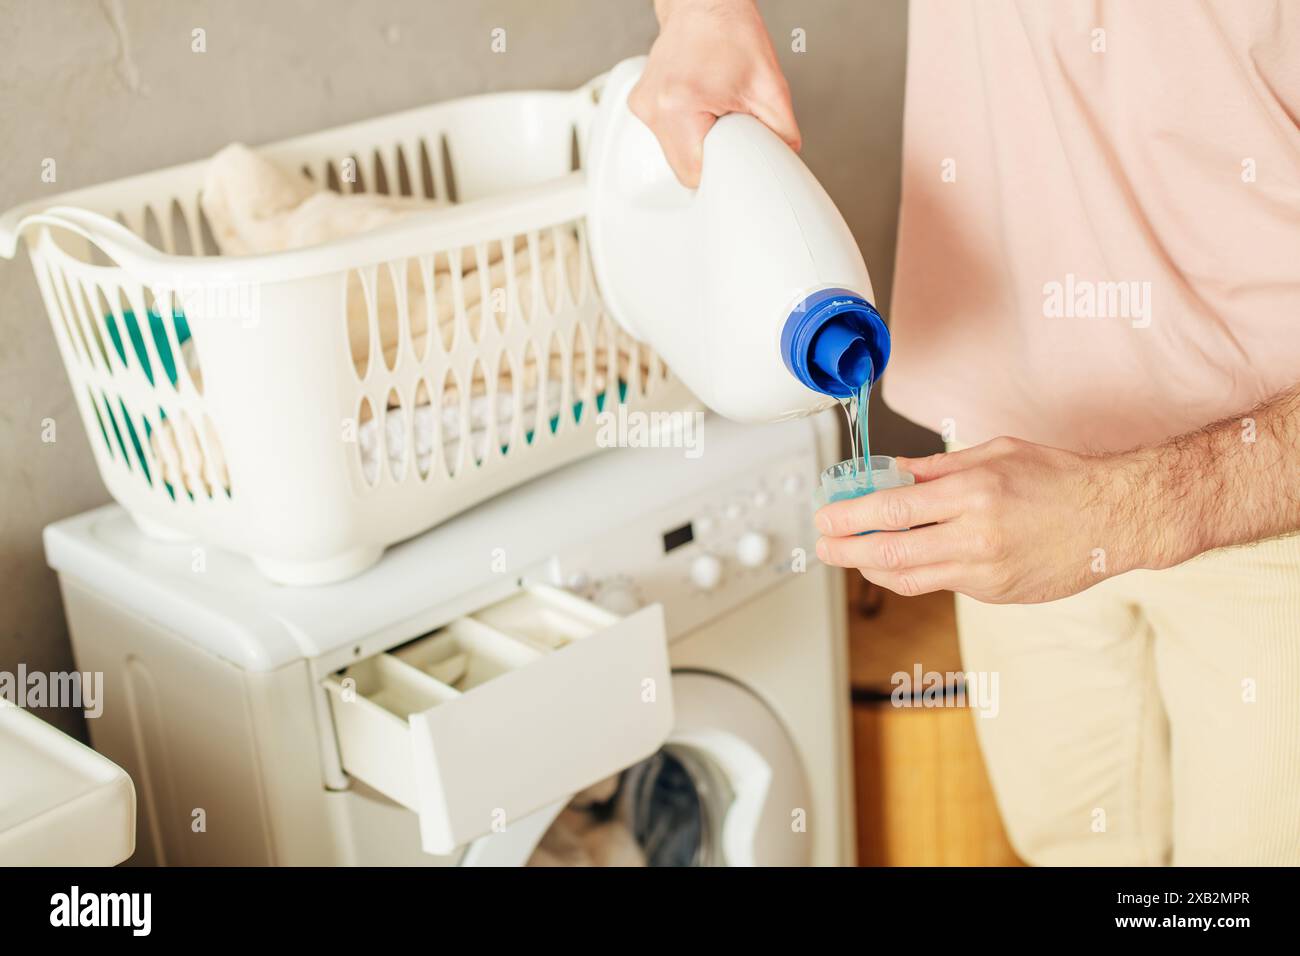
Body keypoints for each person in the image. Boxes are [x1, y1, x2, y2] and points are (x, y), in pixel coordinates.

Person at [633, 0, 1300, 866]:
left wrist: (1119, 512)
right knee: (1072, 849)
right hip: (1003, 479)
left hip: (1264, 518)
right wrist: (704, 15)